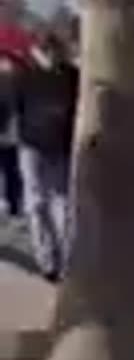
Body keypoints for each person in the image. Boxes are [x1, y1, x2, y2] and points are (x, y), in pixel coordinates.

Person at [15, 35, 78, 280]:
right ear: (34, 52)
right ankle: (46, 261)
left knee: (61, 205)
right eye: (43, 51)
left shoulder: (72, 76)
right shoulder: (25, 78)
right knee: (35, 204)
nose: (49, 56)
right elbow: (16, 108)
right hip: (31, 147)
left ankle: (66, 261)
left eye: (52, 50)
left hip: (61, 148)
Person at [0, 52, 24, 217]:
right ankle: (12, 203)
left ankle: (13, 203)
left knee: (11, 170)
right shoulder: (15, 80)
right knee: (11, 170)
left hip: (11, 133)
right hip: (10, 133)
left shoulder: (16, 82)